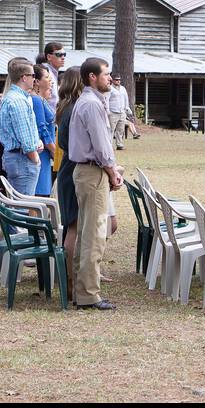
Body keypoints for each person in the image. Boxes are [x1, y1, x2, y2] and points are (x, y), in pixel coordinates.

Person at [68, 56, 125, 310]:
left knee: (87, 232)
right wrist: (112, 171)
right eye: (105, 74)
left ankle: (81, 290)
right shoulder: (91, 104)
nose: (110, 78)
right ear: (92, 77)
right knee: (94, 234)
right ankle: (88, 295)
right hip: (92, 172)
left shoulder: (89, 101)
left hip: (89, 172)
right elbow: (102, 146)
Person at [55, 66, 84, 292]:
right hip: (73, 168)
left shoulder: (65, 107)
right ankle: (70, 281)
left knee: (72, 226)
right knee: (73, 227)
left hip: (66, 167)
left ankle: (69, 277)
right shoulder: (75, 109)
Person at [0, 58, 41, 195]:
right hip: (23, 160)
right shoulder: (18, 101)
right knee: (23, 209)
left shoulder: (10, 97)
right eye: (33, 75)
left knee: (18, 206)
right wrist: (35, 158)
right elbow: (25, 139)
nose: (34, 79)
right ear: (24, 77)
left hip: (16, 158)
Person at [32, 64, 56, 195]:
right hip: (43, 152)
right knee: (40, 192)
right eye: (47, 77)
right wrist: (54, 150)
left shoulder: (42, 100)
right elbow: (41, 129)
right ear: (37, 82)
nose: (50, 80)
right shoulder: (36, 100)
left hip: (46, 154)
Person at [106, 74, 129, 149]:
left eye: (119, 80)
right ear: (112, 80)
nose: (118, 81)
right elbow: (107, 100)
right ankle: (109, 145)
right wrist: (107, 110)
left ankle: (119, 144)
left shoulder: (123, 88)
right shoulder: (109, 89)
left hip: (122, 112)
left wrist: (127, 108)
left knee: (120, 129)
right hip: (113, 112)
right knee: (111, 129)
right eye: (116, 79)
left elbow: (126, 99)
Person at [43, 42, 65, 114]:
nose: (63, 57)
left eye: (64, 54)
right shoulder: (45, 73)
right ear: (49, 57)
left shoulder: (53, 73)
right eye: (59, 55)